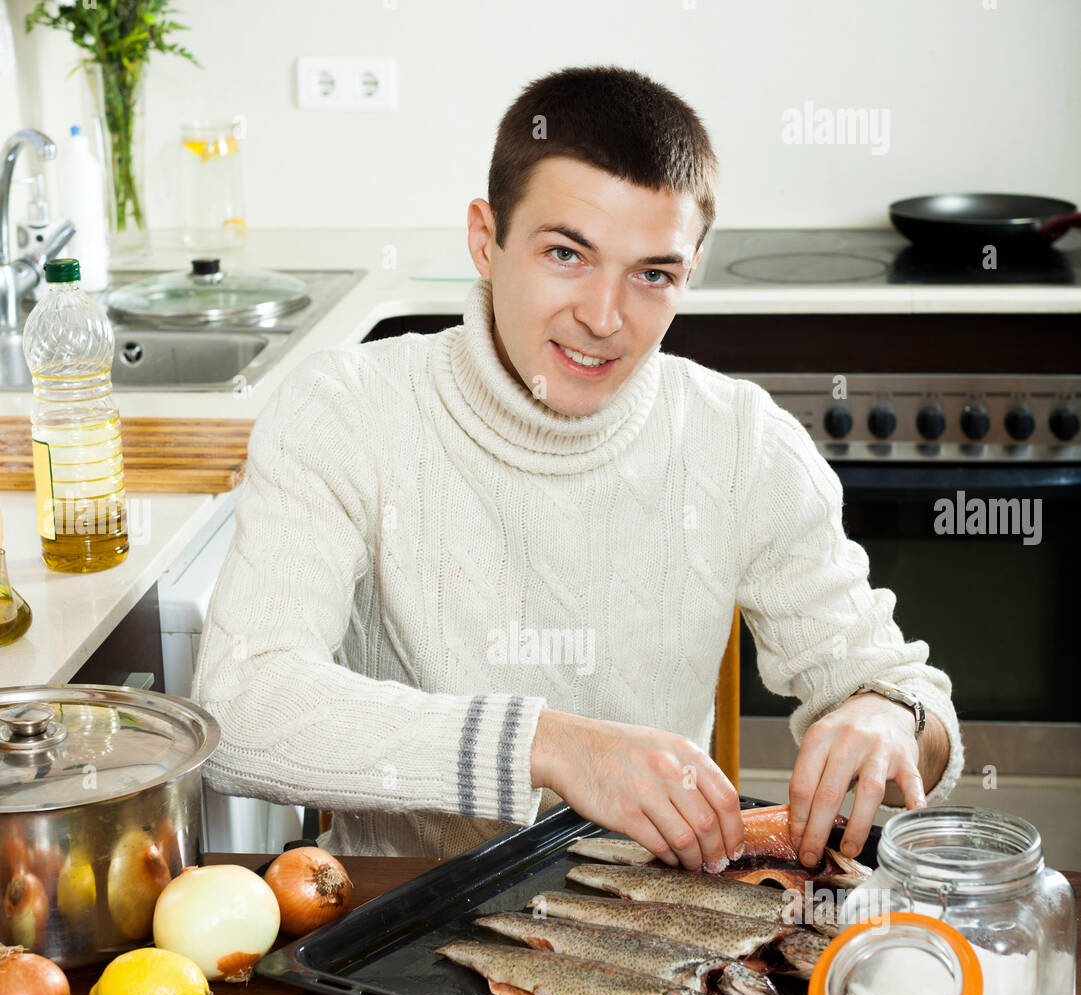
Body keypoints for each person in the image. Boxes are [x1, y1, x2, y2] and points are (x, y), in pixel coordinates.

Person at [192, 65, 962, 874]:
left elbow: (913, 706)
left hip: (655, 930)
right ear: (484, 240)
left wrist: (888, 715)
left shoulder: (741, 442)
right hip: (388, 922)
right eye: (567, 254)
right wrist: (547, 744)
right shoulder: (347, 411)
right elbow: (238, 712)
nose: (603, 318)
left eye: (652, 274)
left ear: (690, 269)